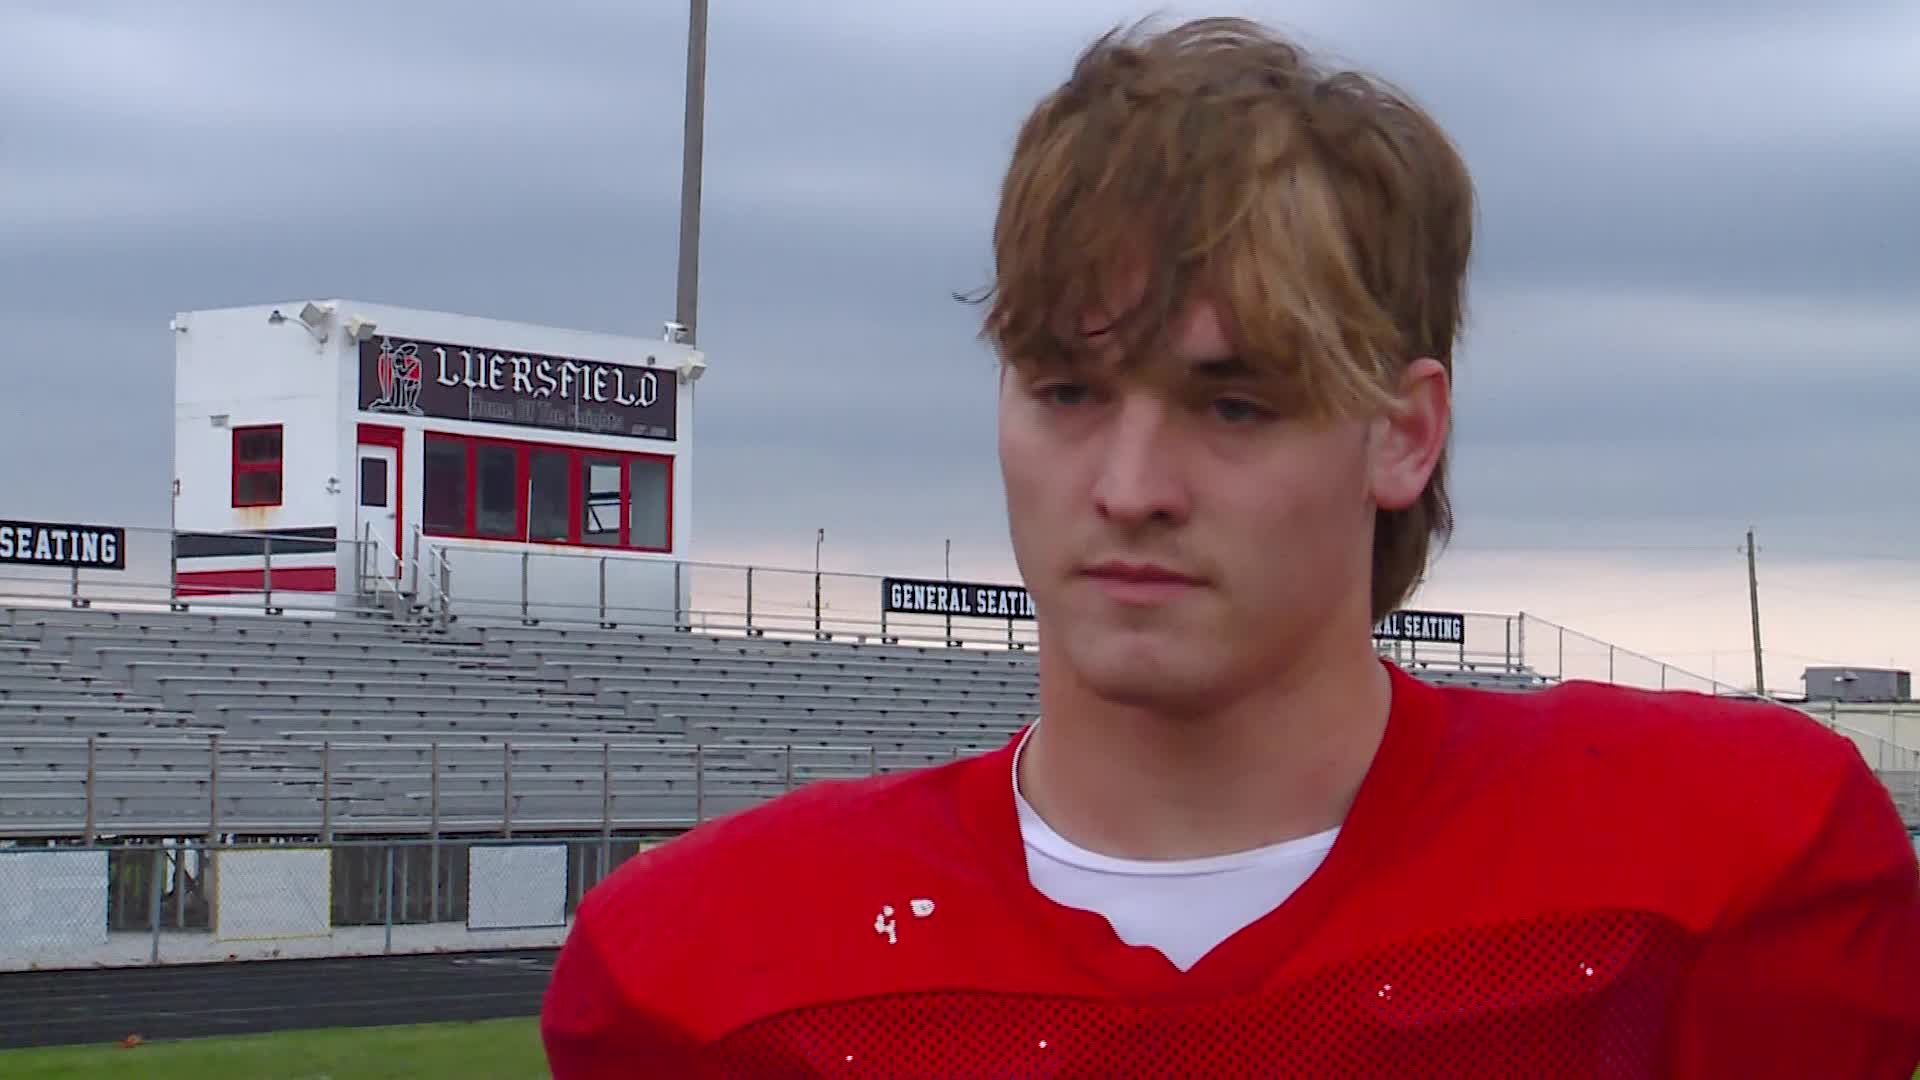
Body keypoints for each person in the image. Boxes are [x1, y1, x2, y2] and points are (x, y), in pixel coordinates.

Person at [542, 16, 1920, 1076]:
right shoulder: (705, 965)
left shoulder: (1716, 865)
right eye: (1069, 392)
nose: (1131, 485)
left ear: (1405, 434)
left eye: (1235, 403)